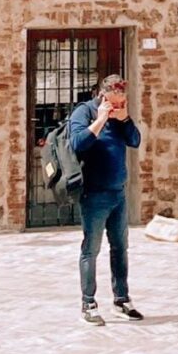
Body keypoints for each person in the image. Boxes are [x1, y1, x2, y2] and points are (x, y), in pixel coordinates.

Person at [69, 74, 144, 326]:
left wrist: (125, 119)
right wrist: (101, 118)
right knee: (91, 249)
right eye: (113, 103)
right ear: (103, 96)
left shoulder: (120, 114)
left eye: (121, 102)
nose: (116, 107)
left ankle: (121, 300)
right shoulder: (85, 112)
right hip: (94, 194)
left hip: (118, 193)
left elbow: (135, 140)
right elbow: (78, 143)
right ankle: (88, 303)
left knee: (120, 248)